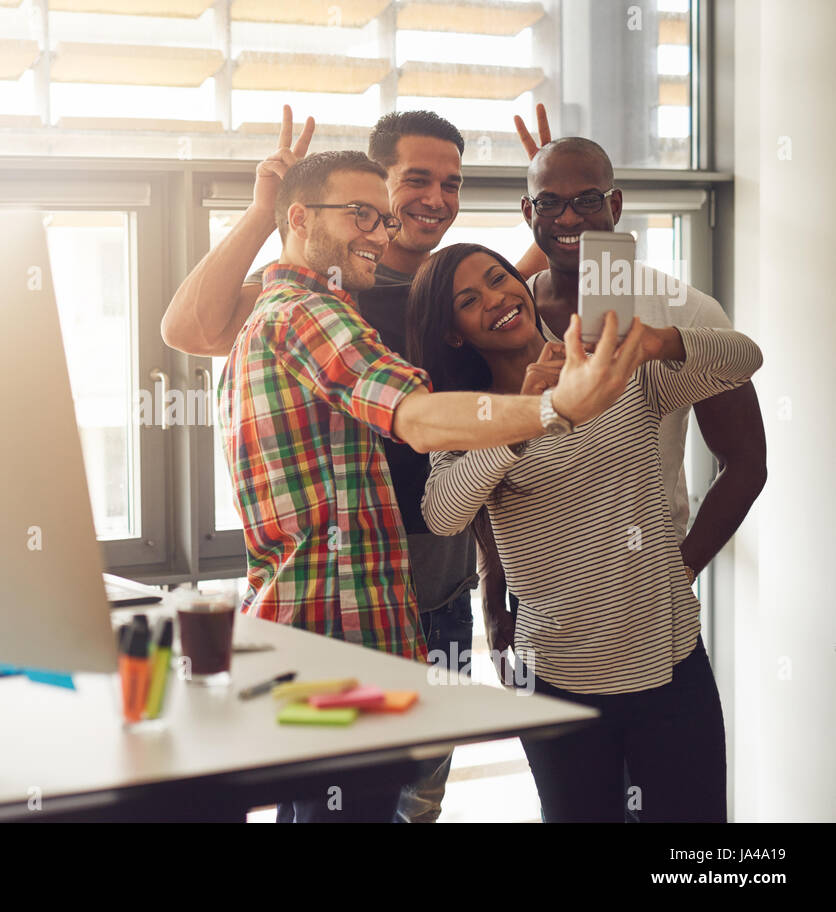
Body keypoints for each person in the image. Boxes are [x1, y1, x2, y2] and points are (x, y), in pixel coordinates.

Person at [218, 151, 646, 822]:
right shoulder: (306, 314)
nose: (379, 232)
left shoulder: (286, 314)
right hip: (337, 652)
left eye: (381, 218)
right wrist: (554, 408)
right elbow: (415, 418)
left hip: (328, 644)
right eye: (359, 213)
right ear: (298, 219)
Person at [166, 106, 548, 822]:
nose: (432, 200)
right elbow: (190, 326)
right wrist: (264, 211)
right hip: (341, 605)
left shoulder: (435, 291)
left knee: (412, 804)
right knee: (344, 802)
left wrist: (551, 217)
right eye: (413, 182)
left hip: (429, 596)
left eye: (452, 183)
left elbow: (502, 304)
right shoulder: (321, 301)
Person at [411, 243, 763, 822]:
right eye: (469, 301)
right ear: (453, 334)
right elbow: (443, 513)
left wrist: (657, 342)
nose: (496, 297)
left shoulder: (619, 378)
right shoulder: (470, 416)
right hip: (558, 681)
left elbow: (742, 358)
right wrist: (527, 412)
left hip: (671, 666)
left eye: (500, 279)